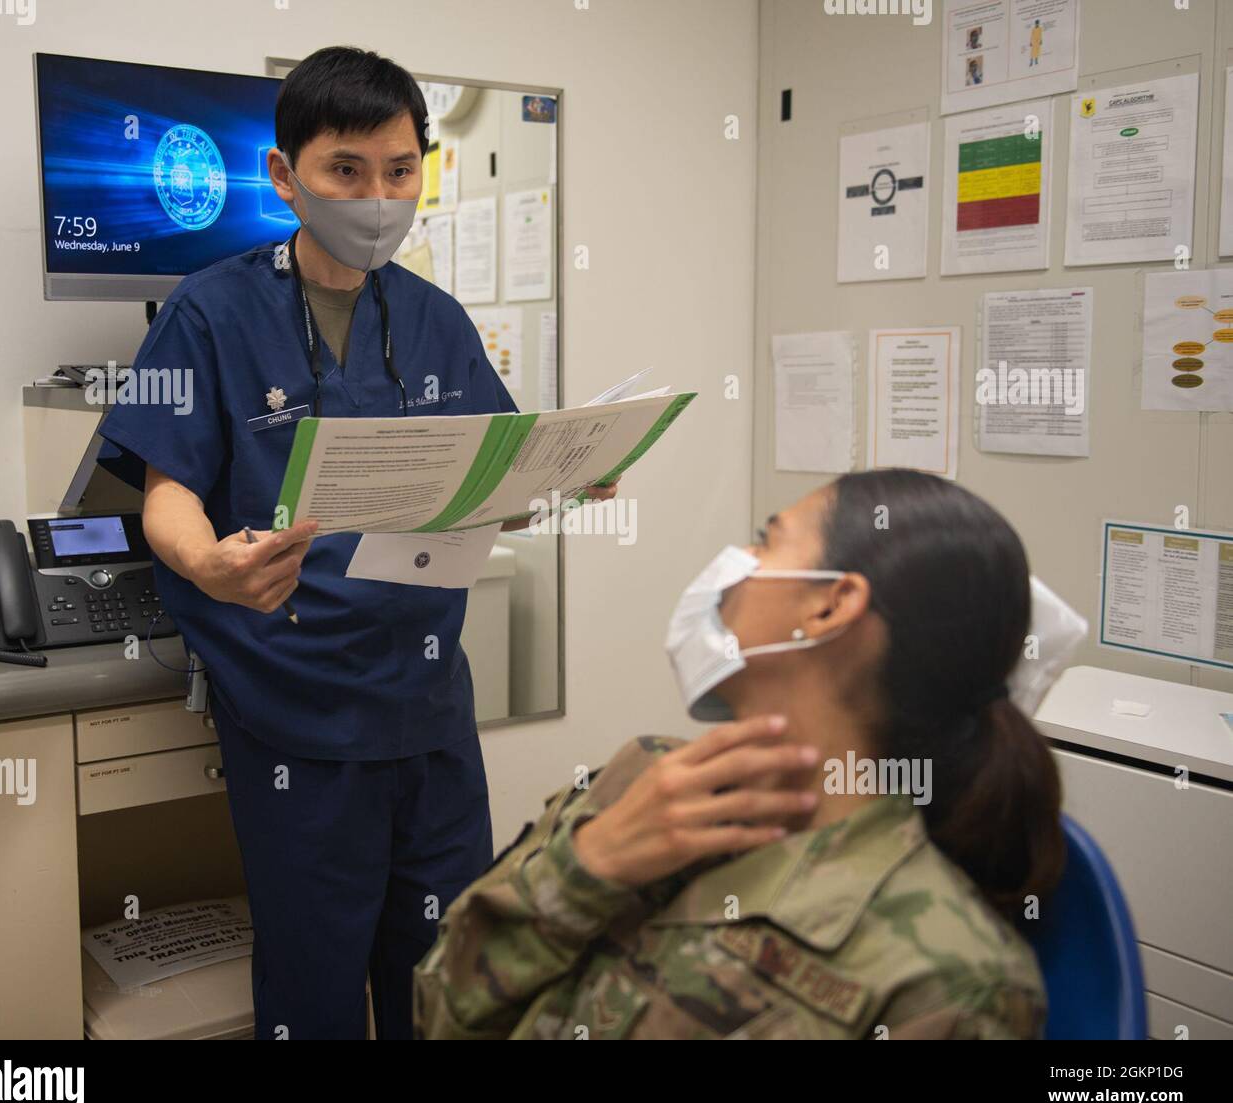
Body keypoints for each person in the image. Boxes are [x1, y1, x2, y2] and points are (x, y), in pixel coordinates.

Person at [95, 46, 615, 1040]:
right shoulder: (210, 312)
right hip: (293, 706)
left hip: (426, 704)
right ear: (284, 175)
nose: (378, 197)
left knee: (442, 968)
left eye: (401, 169)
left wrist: (557, 479)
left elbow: (485, 486)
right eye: (347, 170)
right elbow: (166, 494)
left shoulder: (433, 319)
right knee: (315, 975)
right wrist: (208, 563)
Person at [414, 470, 1065, 1039]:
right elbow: (438, 1013)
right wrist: (588, 865)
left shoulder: (948, 979)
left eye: (765, 539)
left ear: (832, 603)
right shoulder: (640, 781)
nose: (735, 563)